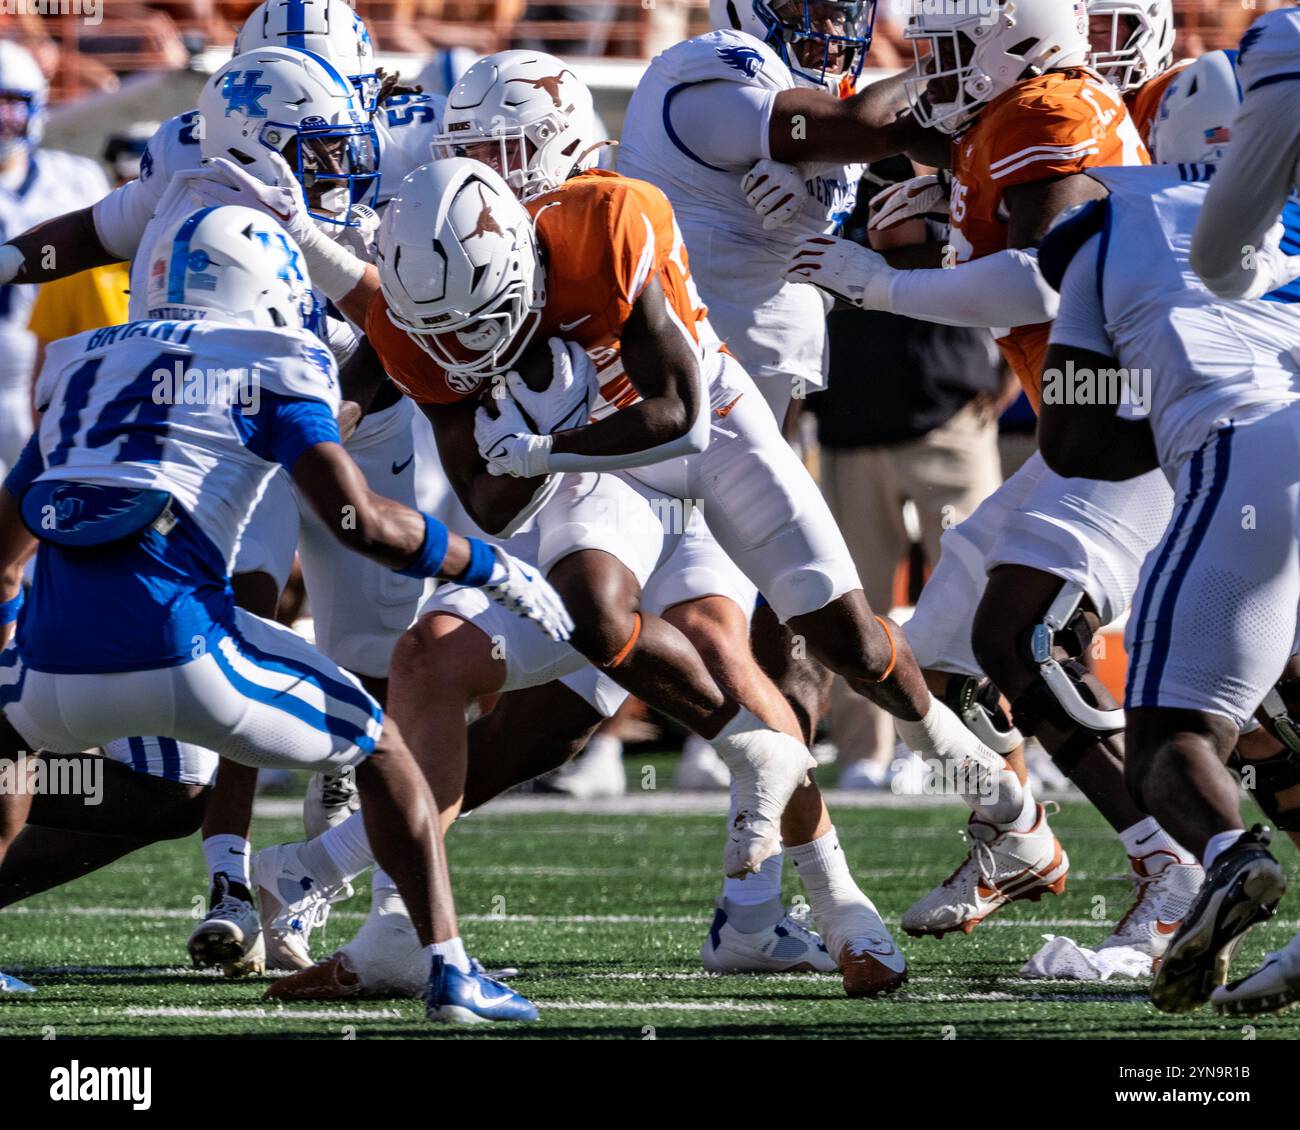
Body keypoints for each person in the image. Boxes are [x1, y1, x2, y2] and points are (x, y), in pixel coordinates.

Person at [0, 204, 571, 1023]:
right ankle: (449, 971)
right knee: (380, 746)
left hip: (52, 671)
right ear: (268, 281)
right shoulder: (271, 357)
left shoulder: (81, 368)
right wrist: (490, 566)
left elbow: (2, 549)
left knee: (8, 746)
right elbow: (360, 523)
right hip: (188, 656)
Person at [784, 0, 1199, 965]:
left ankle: (1172, 861)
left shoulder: (1047, 110)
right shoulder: (1003, 115)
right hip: (1090, 423)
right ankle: (1012, 832)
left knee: (1022, 635)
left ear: (1014, 43)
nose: (933, 68)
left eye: (948, 51)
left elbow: (1039, 281)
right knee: (927, 665)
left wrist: (876, 282)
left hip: (1132, 416)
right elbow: (967, 211)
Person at [1035, 49, 1300, 1012]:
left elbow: (1070, 434)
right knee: (1288, 713)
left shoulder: (1113, 224)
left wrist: (1161, 391)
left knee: (1168, 734)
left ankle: (1228, 859)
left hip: (1249, 455)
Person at [808, 159, 1007, 789]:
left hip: (949, 415)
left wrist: (1002, 375)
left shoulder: (946, 171)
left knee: (994, 591)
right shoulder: (811, 179)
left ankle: (1001, 746)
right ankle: (864, 753)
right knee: (848, 605)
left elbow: (1011, 266)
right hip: (849, 427)